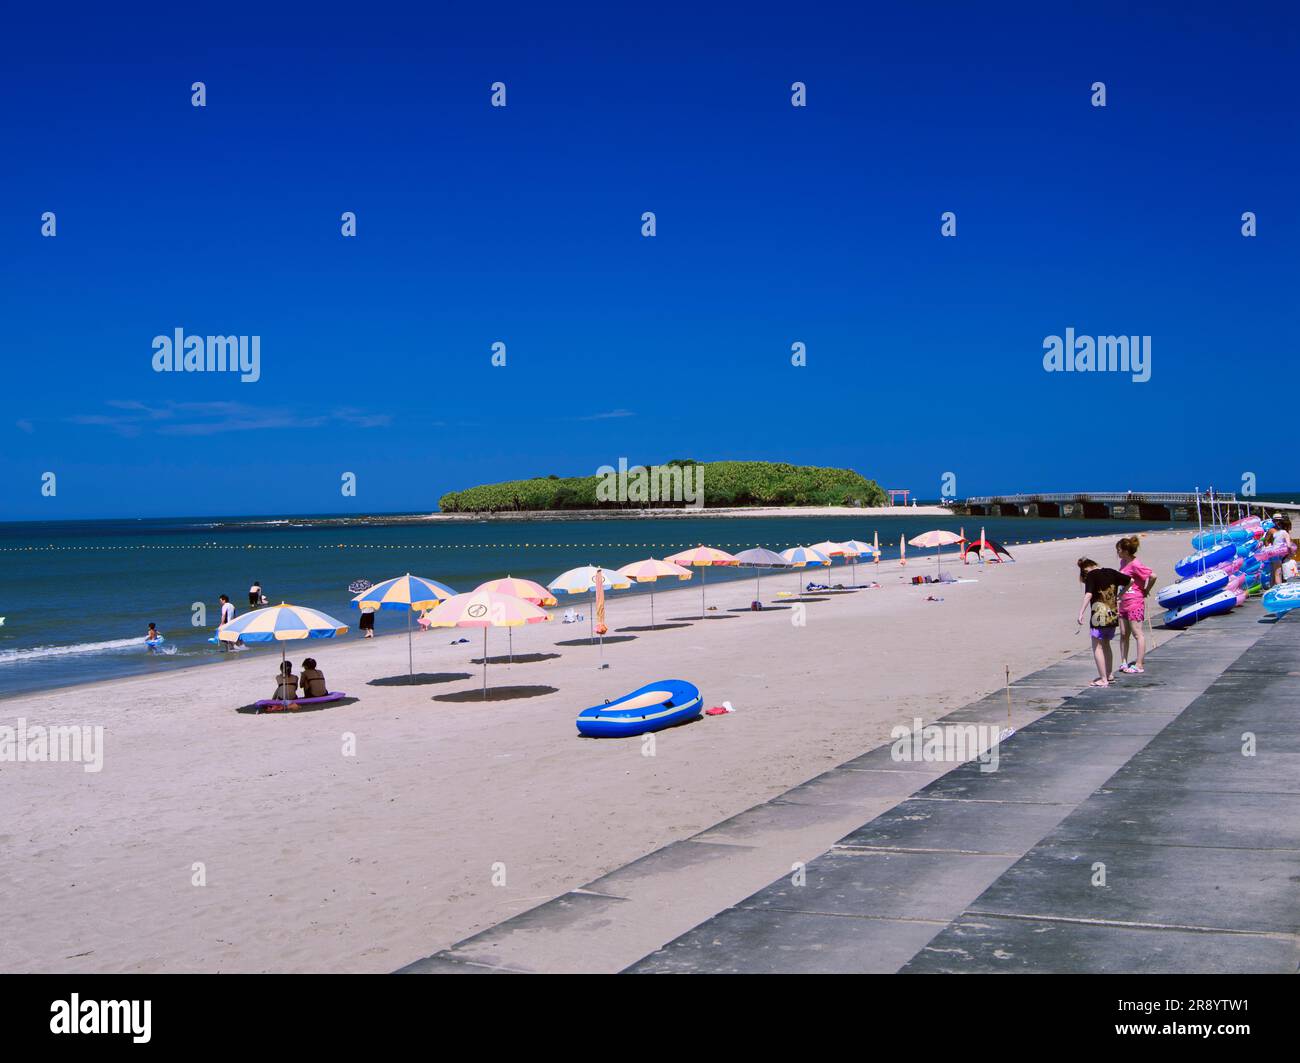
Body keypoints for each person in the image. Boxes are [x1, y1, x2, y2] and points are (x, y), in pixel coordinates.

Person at [1077, 557, 1131, 688]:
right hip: (1112, 615)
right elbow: (1131, 580)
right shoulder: (1111, 572)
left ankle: (1103, 679)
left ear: (1085, 569)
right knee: (1106, 644)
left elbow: (1089, 594)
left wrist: (1081, 612)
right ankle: (1109, 674)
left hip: (1098, 616)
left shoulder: (1091, 575)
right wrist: (1120, 595)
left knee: (1097, 646)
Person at [1115, 537, 1156, 674]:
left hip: (1135, 601)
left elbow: (1153, 576)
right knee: (1123, 633)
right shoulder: (1123, 562)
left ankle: (1139, 664)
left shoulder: (1135, 564)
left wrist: (1146, 590)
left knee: (1137, 633)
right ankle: (1123, 661)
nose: (1117, 553)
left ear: (1126, 551)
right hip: (1123, 601)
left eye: (1119, 550)